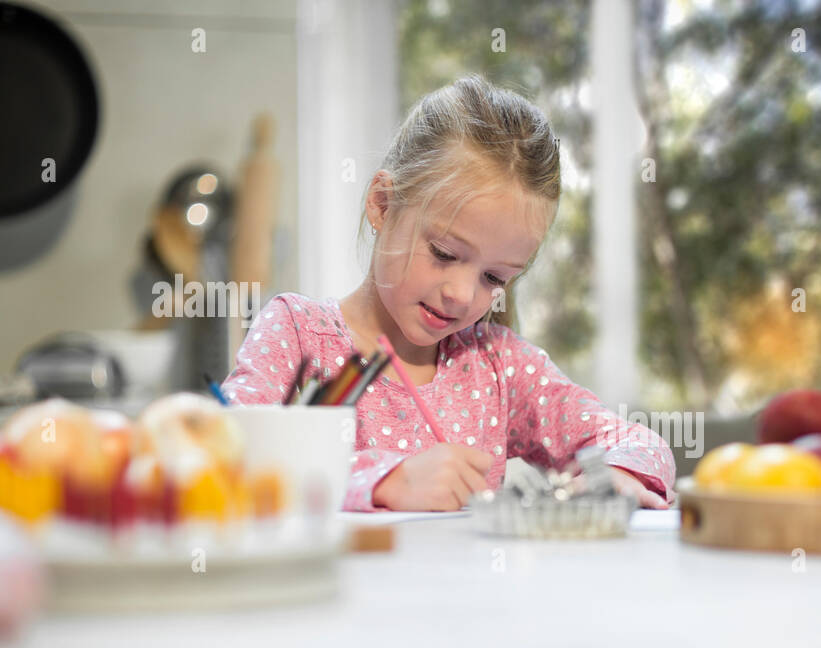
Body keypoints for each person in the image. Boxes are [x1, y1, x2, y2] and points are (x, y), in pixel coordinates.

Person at [223, 76, 674, 512]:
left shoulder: (498, 366)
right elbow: (222, 457)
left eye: (494, 278)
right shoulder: (298, 334)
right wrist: (382, 481)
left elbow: (635, 443)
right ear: (382, 204)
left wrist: (618, 475)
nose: (461, 295)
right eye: (443, 253)